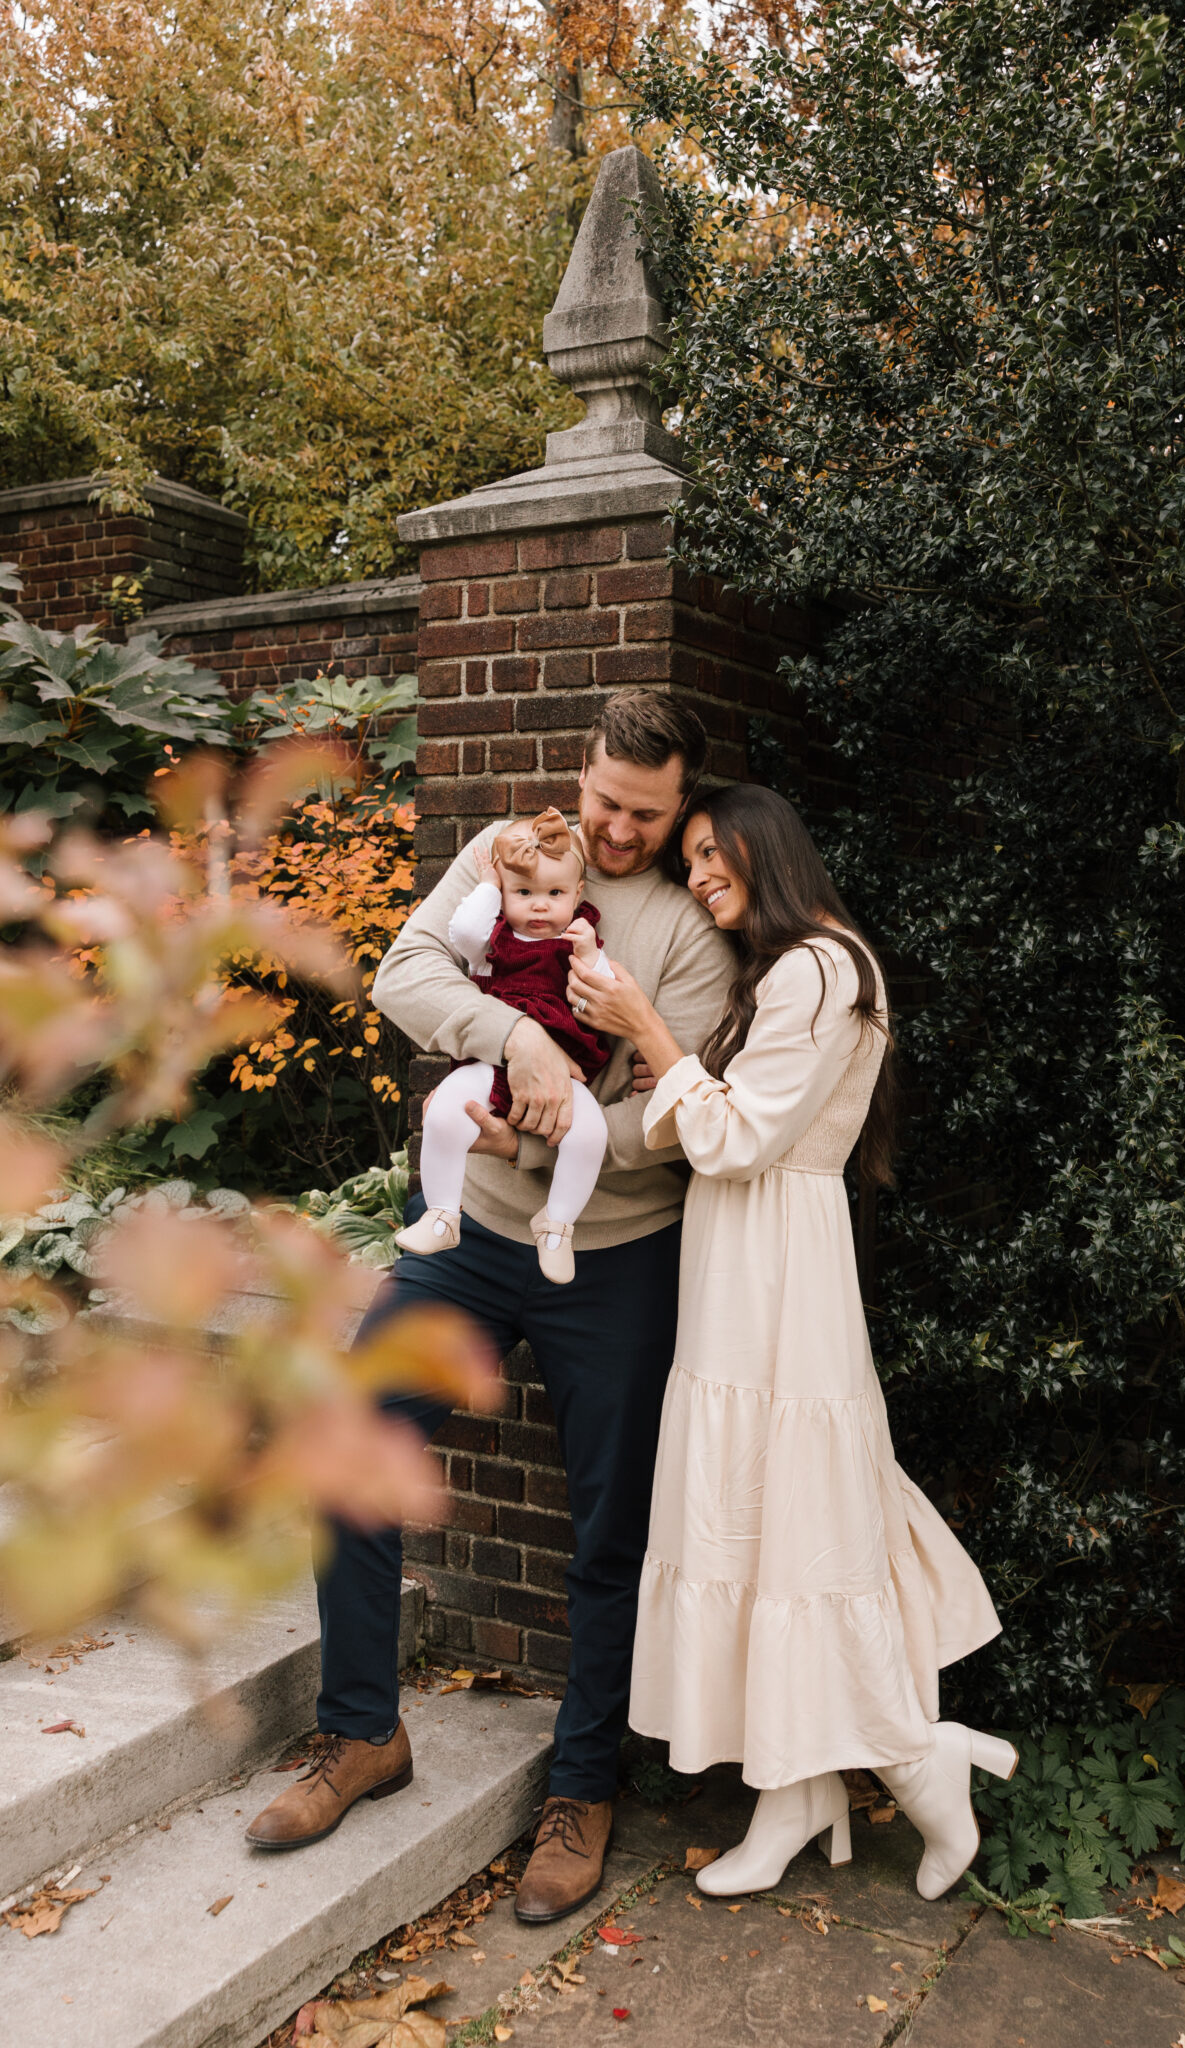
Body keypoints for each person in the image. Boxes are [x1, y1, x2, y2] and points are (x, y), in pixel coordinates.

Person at [244, 691, 736, 1928]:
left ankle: (581, 1792)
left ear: (680, 809)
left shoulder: (688, 933)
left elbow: (679, 1120)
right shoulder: (512, 847)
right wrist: (514, 1032)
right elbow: (406, 972)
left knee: (609, 1528)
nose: (614, 829)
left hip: (615, 1253)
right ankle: (361, 1731)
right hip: (468, 1242)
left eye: (643, 813)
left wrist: (556, 1129)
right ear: (580, 775)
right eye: (603, 801)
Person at [566, 782, 1013, 1902]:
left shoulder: (820, 965)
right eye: (695, 857)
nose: (702, 870)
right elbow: (701, 1121)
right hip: (741, 1264)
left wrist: (648, 1030)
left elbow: (737, 1136)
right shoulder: (785, 970)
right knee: (760, 1524)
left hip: (780, 1268)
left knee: (800, 1522)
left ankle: (918, 1758)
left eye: (718, 852)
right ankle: (796, 1795)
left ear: (773, 848)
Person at [396, 807, 616, 1282]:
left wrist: (593, 957)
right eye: (524, 892)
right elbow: (463, 932)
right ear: (505, 895)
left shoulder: (580, 942)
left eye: (554, 893)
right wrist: (488, 889)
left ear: (578, 894)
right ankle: (442, 1214)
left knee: (591, 1134)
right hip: (490, 1061)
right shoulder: (491, 943)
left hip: (561, 1070)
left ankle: (556, 1224)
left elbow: (609, 996)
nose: (540, 906)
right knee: (444, 1111)